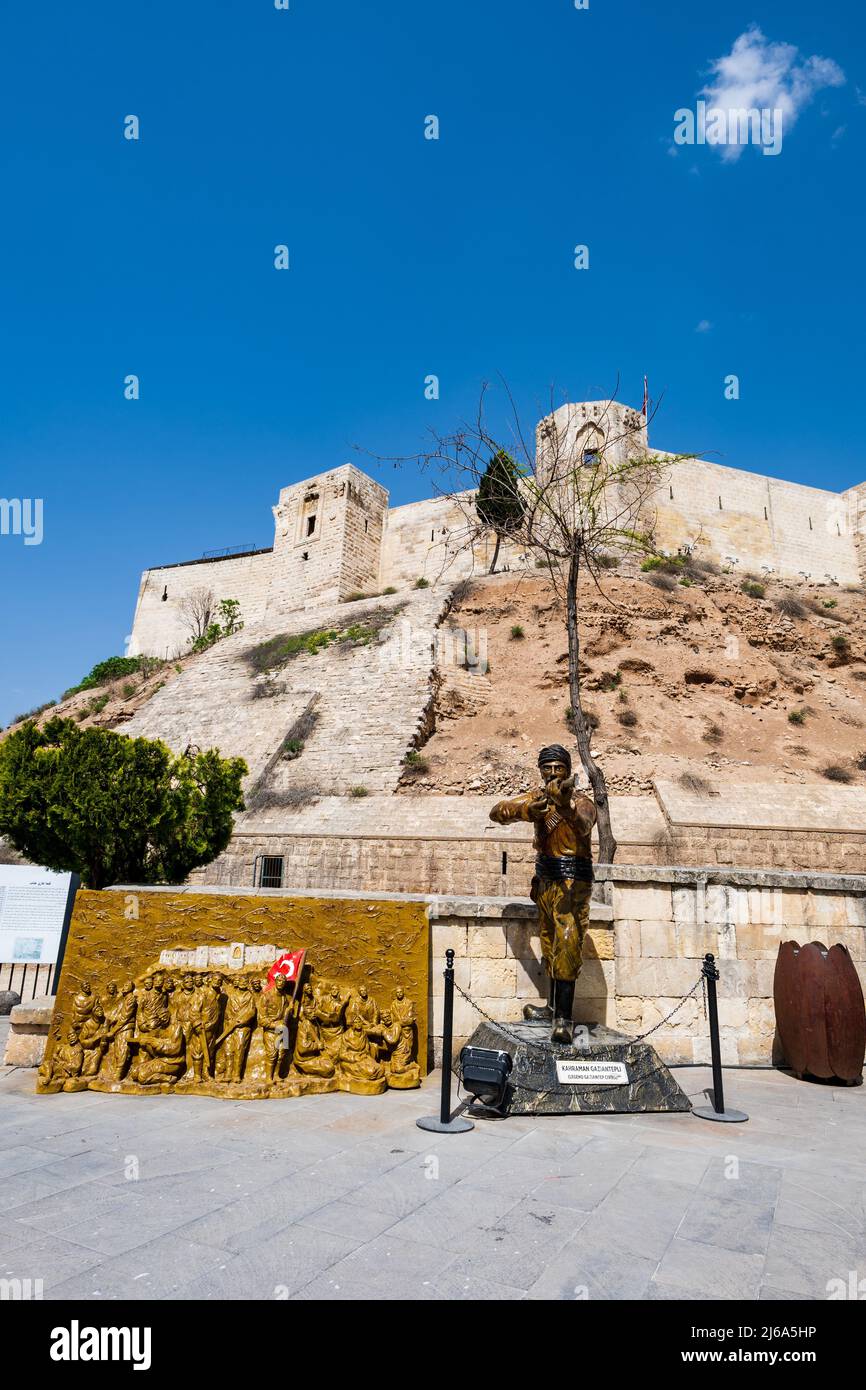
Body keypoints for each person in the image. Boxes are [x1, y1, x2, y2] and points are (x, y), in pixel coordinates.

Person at [490, 743, 596, 1044]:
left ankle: (563, 1018)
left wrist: (565, 807)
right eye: (547, 768)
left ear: (567, 771)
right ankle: (552, 1008)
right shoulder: (536, 799)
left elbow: (586, 824)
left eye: (558, 768)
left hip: (572, 884)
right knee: (550, 944)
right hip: (546, 881)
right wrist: (525, 810)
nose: (552, 773)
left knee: (566, 943)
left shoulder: (582, 801)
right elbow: (497, 811)